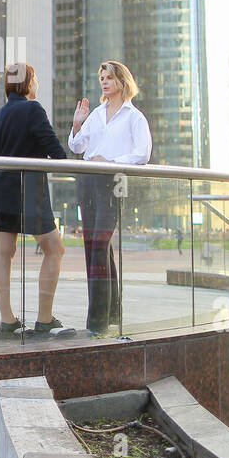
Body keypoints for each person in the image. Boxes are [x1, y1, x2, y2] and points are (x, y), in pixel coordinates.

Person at [0, 62, 70, 339]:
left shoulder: (1, 113)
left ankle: (7, 320)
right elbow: (56, 152)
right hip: (29, 190)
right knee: (55, 249)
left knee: (4, 254)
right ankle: (44, 319)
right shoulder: (33, 109)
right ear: (28, 83)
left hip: (2, 188)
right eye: (35, 79)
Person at [68, 60, 151, 336]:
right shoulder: (96, 114)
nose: (104, 82)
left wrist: (111, 161)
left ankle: (97, 322)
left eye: (109, 77)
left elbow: (143, 154)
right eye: (101, 77)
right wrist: (77, 125)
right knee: (95, 248)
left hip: (114, 182)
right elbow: (77, 146)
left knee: (100, 245)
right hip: (88, 182)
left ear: (122, 81)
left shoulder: (134, 117)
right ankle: (112, 312)